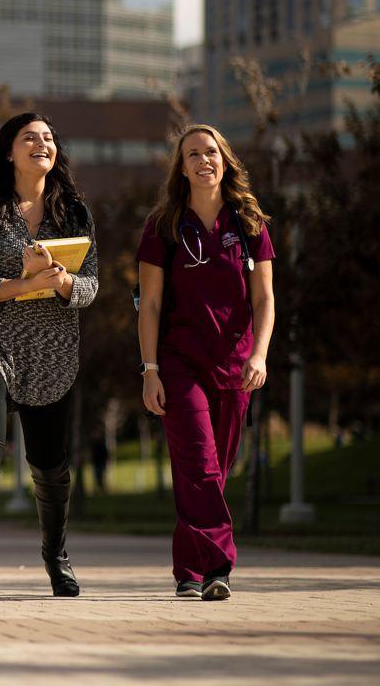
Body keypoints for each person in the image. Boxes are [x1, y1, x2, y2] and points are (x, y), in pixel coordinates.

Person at [0, 113, 98, 602]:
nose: (42, 144)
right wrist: (26, 283)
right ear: (9, 152)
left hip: (51, 349)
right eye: (29, 137)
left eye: (49, 137)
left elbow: (90, 286)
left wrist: (63, 282)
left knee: (49, 462)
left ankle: (57, 558)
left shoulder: (74, 212)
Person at [136, 124, 274, 602]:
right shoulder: (163, 226)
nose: (203, 160)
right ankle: (218, 565)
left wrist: (259, 354)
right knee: (198, 464)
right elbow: (150, 306)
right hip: (179, 362)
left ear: (224, 159)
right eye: (192, 154)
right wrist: (150, 370)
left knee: (209, 471)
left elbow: (265, 298)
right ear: (181, 167)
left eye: (210, 151)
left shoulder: (249, 223)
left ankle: (188, 571)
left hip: (235, 364)